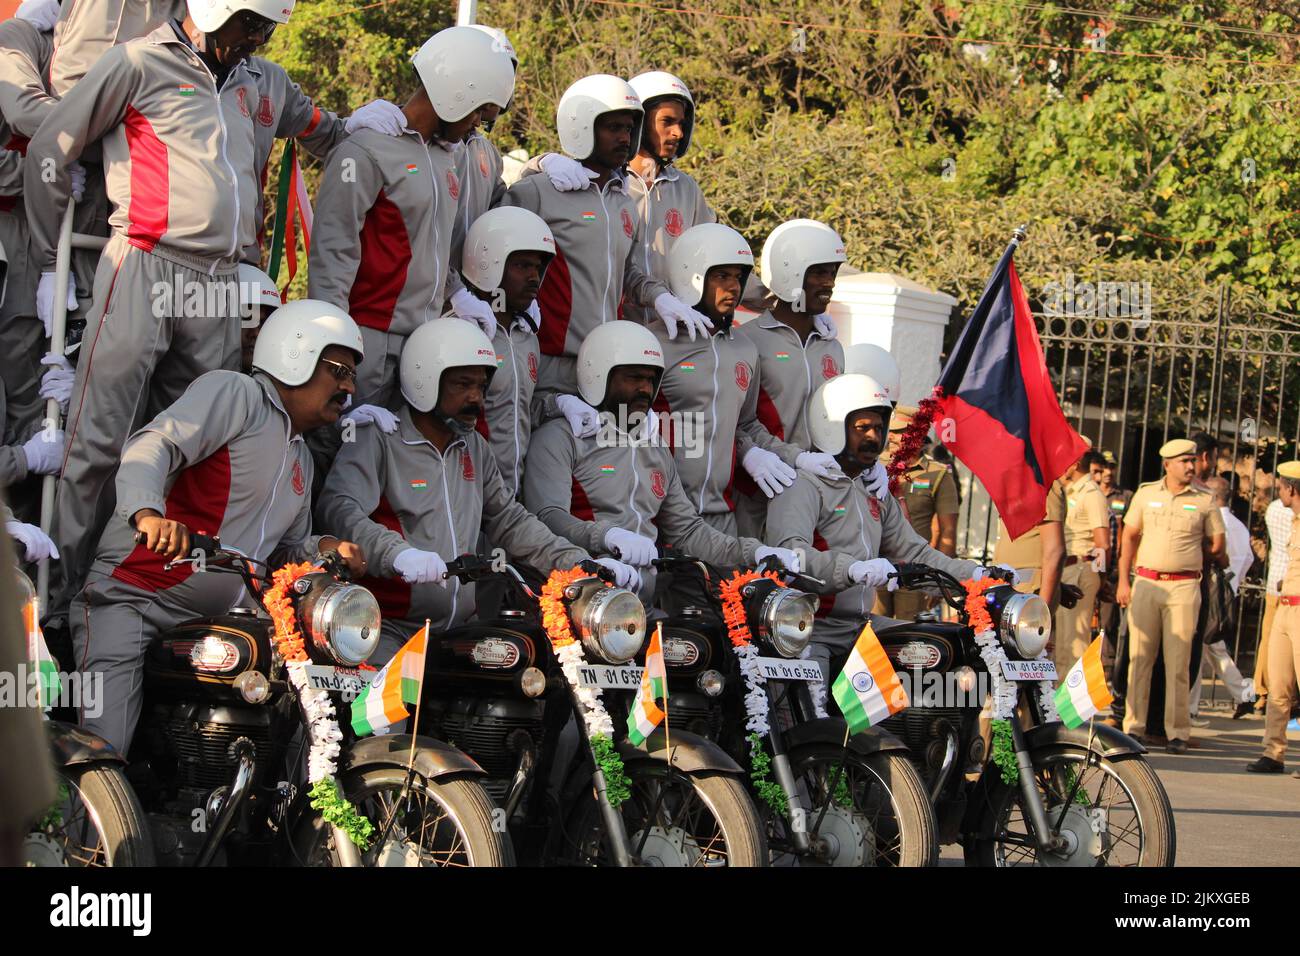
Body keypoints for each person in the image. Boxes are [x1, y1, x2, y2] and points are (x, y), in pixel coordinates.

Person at [32, 0, 296, 616]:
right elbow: (52, 144)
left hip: (219, 281)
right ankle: (61, 608)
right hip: (145, 264)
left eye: (265, 28)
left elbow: (317, 125)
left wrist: (368, 122)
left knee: (192, 449)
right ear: (212, 11)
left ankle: (144, 596)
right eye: (249, 24)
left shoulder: (255, 78)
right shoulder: (137, 62)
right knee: (99, 443)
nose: (256, 38)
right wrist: (50, 264)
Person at [71, 299, 368, 754]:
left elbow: (283, 553)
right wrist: (148, 515)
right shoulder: (236, 394)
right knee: (104, 754)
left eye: (351, 375)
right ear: (296, 353)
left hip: (225, 629)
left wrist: (323, 547)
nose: (348, 387)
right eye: (338, 370)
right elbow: (152, 447)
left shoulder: (302, 457)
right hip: (134, 600)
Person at [315, 318, 636, 662]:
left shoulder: (475, 447)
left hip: (458, 631)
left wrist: (582, 563)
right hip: (388, 629)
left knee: (523, 690)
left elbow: (510, 521)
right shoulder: (378, 437)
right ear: (425, 381)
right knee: (391, 717)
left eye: (481, 386)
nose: (476, 398)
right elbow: (339, 509)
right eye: (463, 385)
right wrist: (398, 554)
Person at [308, 26, 515, 415]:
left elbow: (432, 247)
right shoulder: (366, 149)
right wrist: (332, 342)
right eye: (478, 113)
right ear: (457, 91)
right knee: (345, 453)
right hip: (366, 340)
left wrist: (458, 294)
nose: (477, 127)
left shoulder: (445, 159)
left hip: (424, 342)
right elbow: (332, 251)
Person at [522, 320, 799, 608]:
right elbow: (547, 517)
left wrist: (755, 551)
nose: (645, 388)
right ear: (597, 375)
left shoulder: (654, 446)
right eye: (633, 378)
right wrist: (608, 536)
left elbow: (688, 531)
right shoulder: (560, 437)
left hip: (641, 610)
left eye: (652, 379)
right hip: (576, 604)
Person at [765, 373, 989, 713]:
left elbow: (913, 551)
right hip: (812, 629)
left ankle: (937, 746)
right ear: (832, 427)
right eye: (862, 428)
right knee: (811, 725)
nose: (874, 437)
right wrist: (851, 569)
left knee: (942, 647)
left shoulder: (873, 489)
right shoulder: (804, 484)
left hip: (861, 624)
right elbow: (789, 554)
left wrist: (979, 576)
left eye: (879, 428)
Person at [501, 74, 709, 402]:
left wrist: (660, 298)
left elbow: (630, 273)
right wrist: (536, 165)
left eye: (629, 129)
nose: (625, 138)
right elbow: (492, 253)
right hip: (548, 360)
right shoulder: (539, 191)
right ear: (581, 126)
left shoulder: (622, 202)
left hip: (607, 362)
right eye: (614, 128)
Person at [651, 223, 830, 536]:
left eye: (738, 276)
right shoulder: (653, 342)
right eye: (722, 276)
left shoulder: (744, 348)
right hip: (660, 514)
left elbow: (746, 426)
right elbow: (625, 426)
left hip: (723, 516)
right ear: (690, 273)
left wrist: (795, 457)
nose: (733, 287)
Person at [732, 218, 846, 536]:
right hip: (757, 494)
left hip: (814, 498)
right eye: (820, 272)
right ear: (789, 271)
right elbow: (736, 422)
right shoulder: (748, 340)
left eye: (833, 273)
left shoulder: (832, 347)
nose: (830, 283)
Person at [1117, 438, 1227, 754]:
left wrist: (1190, 555)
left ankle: (1177, 732)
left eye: (1193, 460)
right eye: (1184, 461)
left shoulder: (1205, 500)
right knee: (1139, 659)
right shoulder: (1146, 494)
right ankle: (1133, 728)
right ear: (1168, 464)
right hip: (1146, 584)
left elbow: (1218, 546)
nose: (1191, 466)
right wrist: (1124, 581)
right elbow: (1129, 537)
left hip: (1184, 586)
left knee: (1178, 662)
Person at [872, 404, 960, 620]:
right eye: (889, 430)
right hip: (875, 564)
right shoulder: (872, 469)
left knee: (908, 636)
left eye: (898, 432)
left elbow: (948, 532)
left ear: (917, 437)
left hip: (914, 570)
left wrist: (939, 580)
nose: (890, 436)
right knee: (868, 634)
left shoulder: (937, 474)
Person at [1246, 460, 1300, 774]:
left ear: (1291, 488)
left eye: (1280, 486)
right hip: (1284, 605)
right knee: (1278, 684)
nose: (1277, 491)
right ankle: (1273, 752)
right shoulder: (1290, 520)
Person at [1190, 476, 1256, 720]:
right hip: (1228, 593)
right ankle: (1243, 696)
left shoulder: (1214, 522)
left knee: (1197, 645)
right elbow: (1248, 560)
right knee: (1213, 646)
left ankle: (1190, 706)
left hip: (1208, 592)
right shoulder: (1240, 526)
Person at [1055, 448, 1110, 674]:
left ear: (1075, 462)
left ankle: (1072, 708)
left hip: (1081, 567)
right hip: (1066, 568)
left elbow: (1102, 543)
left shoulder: (1091, 493)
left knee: (1075, 644)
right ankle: (1058, 704)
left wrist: (1099, 577)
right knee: (1062, 643)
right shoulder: (1069, 491)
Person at [1258, 474, 1295, 714]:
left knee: (1268, 642)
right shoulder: (1289, 514)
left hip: (1276, 585)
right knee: (1278, 646)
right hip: (1286, 586)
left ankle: (1261, 694)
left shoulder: (1274, 509)